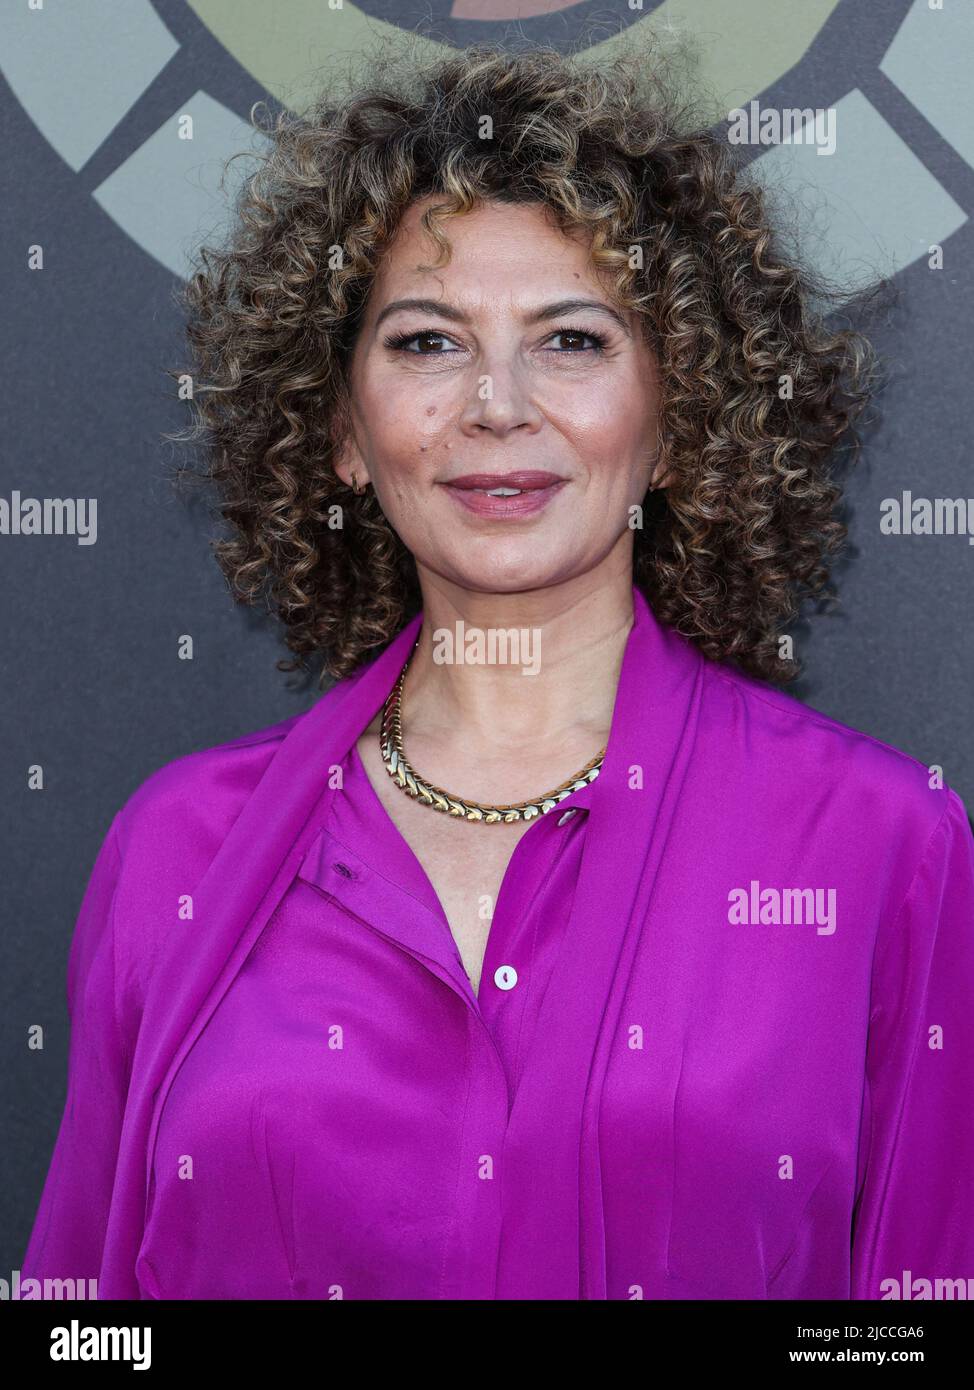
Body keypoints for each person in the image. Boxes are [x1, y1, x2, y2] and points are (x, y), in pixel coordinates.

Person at [22, 44, 974, 1301]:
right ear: (344, 432)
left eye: (570, 340)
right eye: (426, 342)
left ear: (676, 422)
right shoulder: (177, 851)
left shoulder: (879, 844)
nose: (494, 403)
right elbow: (82, 1330)